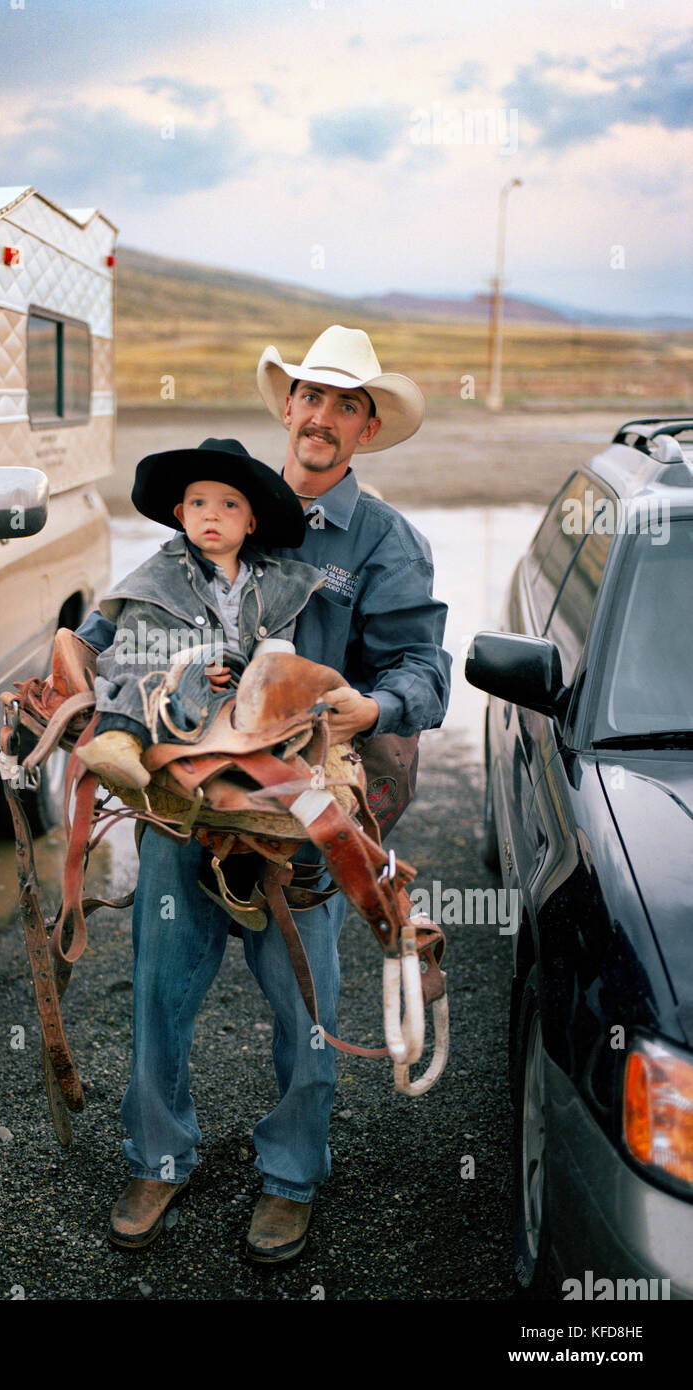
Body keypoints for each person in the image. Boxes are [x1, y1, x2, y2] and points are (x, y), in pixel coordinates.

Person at [76, 325, 451, 1263]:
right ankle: (157, 1156)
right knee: (159, 990)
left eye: (344, 403)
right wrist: (82, 654)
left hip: (302, 815)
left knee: (305, 1005)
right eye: (309, 396)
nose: (320, 416)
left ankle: (290, 1175)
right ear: (286, 407)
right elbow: (134, 605)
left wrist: (373, 707)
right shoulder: (220, 513)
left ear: (366, 427)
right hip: (187, 803)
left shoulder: (385, 541)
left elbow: (424, 667)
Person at [75, 437, 324, 791]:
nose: (212, 513)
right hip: (171, 688)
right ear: (182, 515)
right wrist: (189, 668)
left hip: (238, 695)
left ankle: (270, 765)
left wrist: (263, 675)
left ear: (251, 523)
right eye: (198, 503)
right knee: (134, 675)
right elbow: (135, 644)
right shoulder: (158, 578)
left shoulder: (276, 584)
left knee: (285, 700)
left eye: (229, 504)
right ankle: (121, 743)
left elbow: (278, 642)